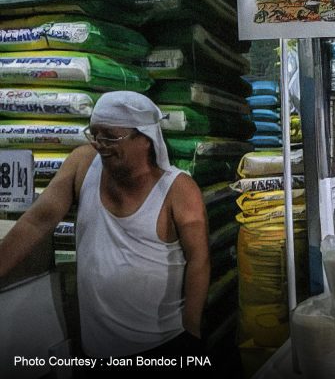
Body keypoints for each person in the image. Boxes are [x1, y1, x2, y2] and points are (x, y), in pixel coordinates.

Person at [0, 91, 210, 364]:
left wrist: (191, 327)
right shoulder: (83, 163)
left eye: (110, 136)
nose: (100, 144)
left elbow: (199, 259)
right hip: (97, 352)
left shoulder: (177, 189)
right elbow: (37, 221)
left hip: (163, 345)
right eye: (95, 134)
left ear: (145, 139)